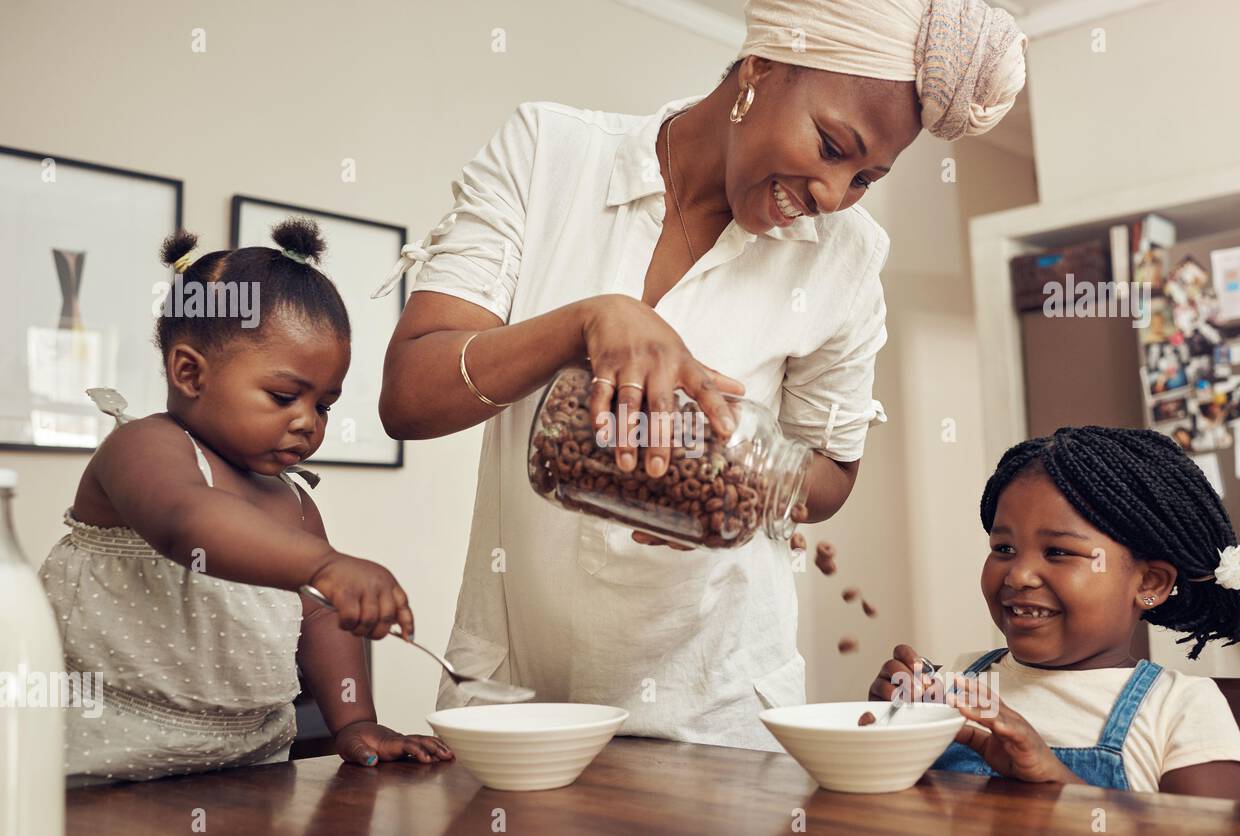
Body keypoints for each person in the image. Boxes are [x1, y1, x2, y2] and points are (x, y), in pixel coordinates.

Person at [375, 0, 1028, 750]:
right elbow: (409, 394)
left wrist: (738, 482)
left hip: (717, 710)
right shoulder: (549, 153)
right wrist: (585, 322)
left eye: (865, 177)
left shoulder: (845, 256)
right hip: (515, 695)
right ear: (758, 71)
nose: (830, 193)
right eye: (829, 145)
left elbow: (833, 471)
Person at [40, 220, 452, 784]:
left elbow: (320, 615)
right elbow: (187, 523)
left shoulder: (295, 504)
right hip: (99, 761)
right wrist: (326, 565)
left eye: (325, 405)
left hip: (248, 768)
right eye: (284, 396)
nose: (307, 422)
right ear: (189, 372)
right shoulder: (143, 447)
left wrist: (354, 722)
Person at [871, 427, 1240, 801]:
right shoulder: (961, 682)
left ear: (1150, 584)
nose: (1019, 574)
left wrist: (1058, 781)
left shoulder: (1181, 708)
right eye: (1004, 548)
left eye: (1058, 552)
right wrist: (889, 722)